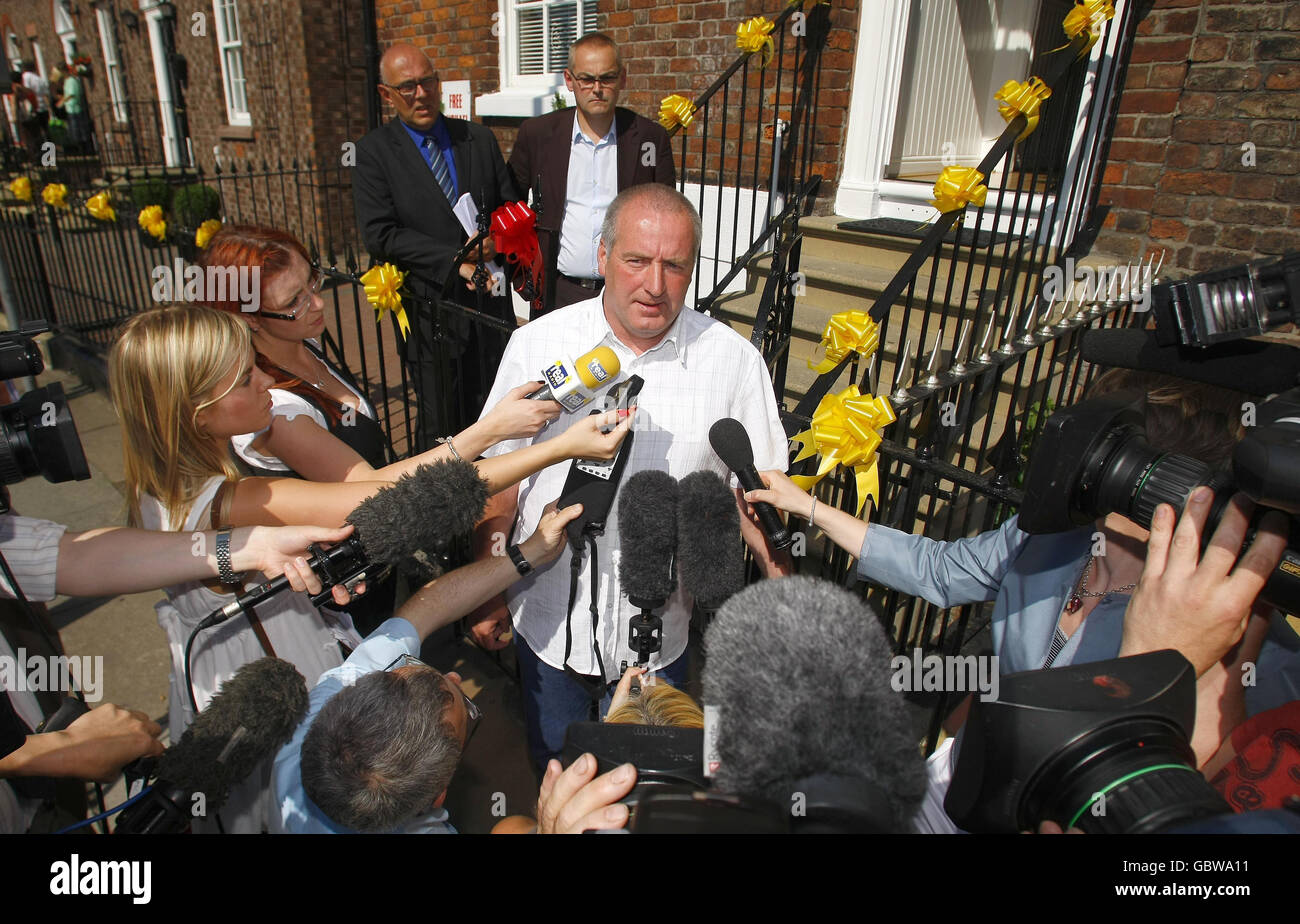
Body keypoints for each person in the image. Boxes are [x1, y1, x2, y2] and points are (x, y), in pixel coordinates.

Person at [109, 304, 632, 831]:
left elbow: (371, 487)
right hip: (271, 681)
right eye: (246, 377)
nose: (268, 377)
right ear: (200, 412)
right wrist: (559, 447)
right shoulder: (229, 500)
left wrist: (486, 432)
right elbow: (391, 502)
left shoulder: (173, 484)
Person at [743, 369, 1298, 829]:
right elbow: (941, 569)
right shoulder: (1051, 535)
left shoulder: (1254, 651)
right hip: (957, 784)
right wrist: (809, 509)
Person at [468, 183, 791, 773]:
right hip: (545, 626)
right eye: (637, 260)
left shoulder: (733, 360)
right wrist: (487, 584)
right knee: (559, 784)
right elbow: (498, 480)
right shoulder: (537, 345)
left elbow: (758, 494)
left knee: (643, 793)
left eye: (675, 266)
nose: (655, 285)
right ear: (602, 256)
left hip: (662, 637)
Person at [201, 225, 561, 632]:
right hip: (336, 599)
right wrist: (491, 431)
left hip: (373, 564)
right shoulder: (278, 411)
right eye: (294, 301)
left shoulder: (302, 344)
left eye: (312, 280)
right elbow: (373, 491)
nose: (317, 302)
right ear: (249, 318)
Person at [273, 500, 637, 834]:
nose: (455, 675)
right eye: (469, 710)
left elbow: (427, 608)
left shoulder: (308, 728)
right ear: (437, 797)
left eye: (406, 666)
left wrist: (528, 553)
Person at [353, 43, 518, 444]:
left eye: (428, 81)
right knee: (440, 427)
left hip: (490, 308)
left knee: (499, 415)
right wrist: (454, 260)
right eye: (407, 86)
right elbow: (381, 233)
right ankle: (438, 504)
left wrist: (497, 238)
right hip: (430, 314)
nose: (421, 94)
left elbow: (509, 203)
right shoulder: (373, 153)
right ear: (385, 94)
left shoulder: (477, 138)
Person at [508, 33, 675, 312]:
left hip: (627, 293)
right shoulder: (537, 134)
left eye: (606, 78)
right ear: (570, 80)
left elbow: (667, 216)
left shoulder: (651, 138)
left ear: (622, 78)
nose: (597, 88)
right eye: (586, 79)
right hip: (556, 292)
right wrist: (520, 266)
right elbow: (509, 203)